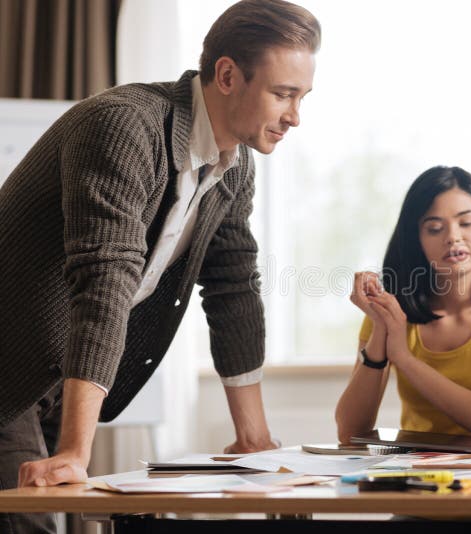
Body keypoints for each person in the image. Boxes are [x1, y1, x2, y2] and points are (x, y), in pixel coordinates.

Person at [0, 0, 319, 531]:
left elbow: (233, 288)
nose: (294, 117)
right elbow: (104, 279)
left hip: (60, 374)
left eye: (302, 97)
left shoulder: (234, 169)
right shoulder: (125, 126)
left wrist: (253, 438)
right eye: (283, 94)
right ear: (227, 75)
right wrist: (77, 451)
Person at [336, 166, 471, 446]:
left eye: (466, 222)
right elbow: (349, 433)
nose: (452, 236)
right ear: (417, 240)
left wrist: (404, 359)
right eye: (435, 228)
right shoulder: (392, 310)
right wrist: (380, 331)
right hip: (417, 475)